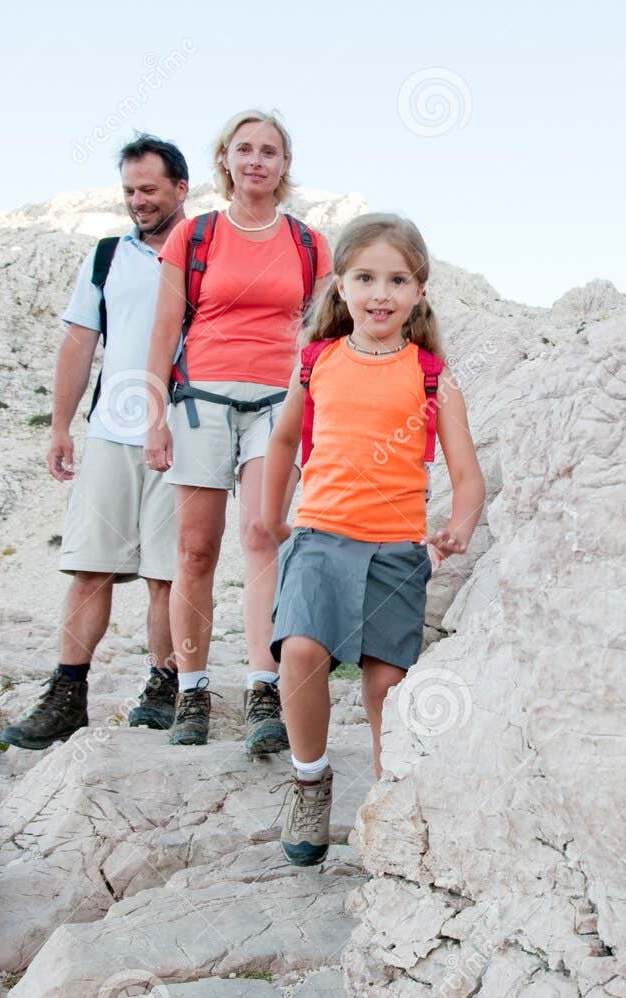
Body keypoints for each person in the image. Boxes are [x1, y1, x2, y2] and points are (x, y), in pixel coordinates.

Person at [262, 213, 485, 865]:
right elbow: (281, 440)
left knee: (387, 685)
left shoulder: (434, 378)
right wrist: (272, 513)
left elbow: (467, 477)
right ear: (340, 283)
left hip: (395, 551)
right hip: (320, 537)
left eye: (397, 279)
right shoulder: (317, 363)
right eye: (366, 277)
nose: (380, 293)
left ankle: (391, 808)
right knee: (300, 652)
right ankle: (311, 781)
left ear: (419, 291)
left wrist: (460, 526)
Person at [143, 110, 331, 753]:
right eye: (244, 149)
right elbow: (164, 330)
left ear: (284, 165)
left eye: (270, 151)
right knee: (196, 550)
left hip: (278, 403)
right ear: (225, 158)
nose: (256, 160)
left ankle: (262, 685)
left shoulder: (309, 244)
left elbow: (323, 334)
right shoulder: (194, 236)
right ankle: (191, 688)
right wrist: (154, 420)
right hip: (199, 400)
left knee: (262, 537)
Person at [3, 135, 190, 750]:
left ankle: (166, 690)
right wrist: (60, 426)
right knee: (89, 569)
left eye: (149, 190)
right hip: (111, 430)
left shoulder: (207, 249)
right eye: (130, 191)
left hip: (186, 432)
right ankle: (67, 696)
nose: (137, 201)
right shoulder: (107, 256)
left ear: (180, 189)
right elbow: (80, 342)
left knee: (169, 573)